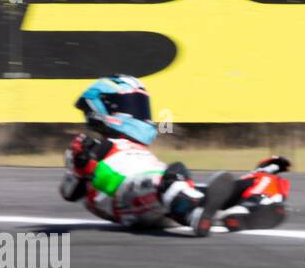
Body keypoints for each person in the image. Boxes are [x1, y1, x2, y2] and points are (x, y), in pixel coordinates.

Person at [59, 75, 289, 236]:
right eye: (130, 105)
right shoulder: (93, 145)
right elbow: (69, 192)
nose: (138, 113)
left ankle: (246, 207)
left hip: (162, 195)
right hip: (125, 197)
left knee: (257, 181)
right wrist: (82, 163)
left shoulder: (136, 149)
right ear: (104, 109)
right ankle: (196, 212)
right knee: (171, 177)